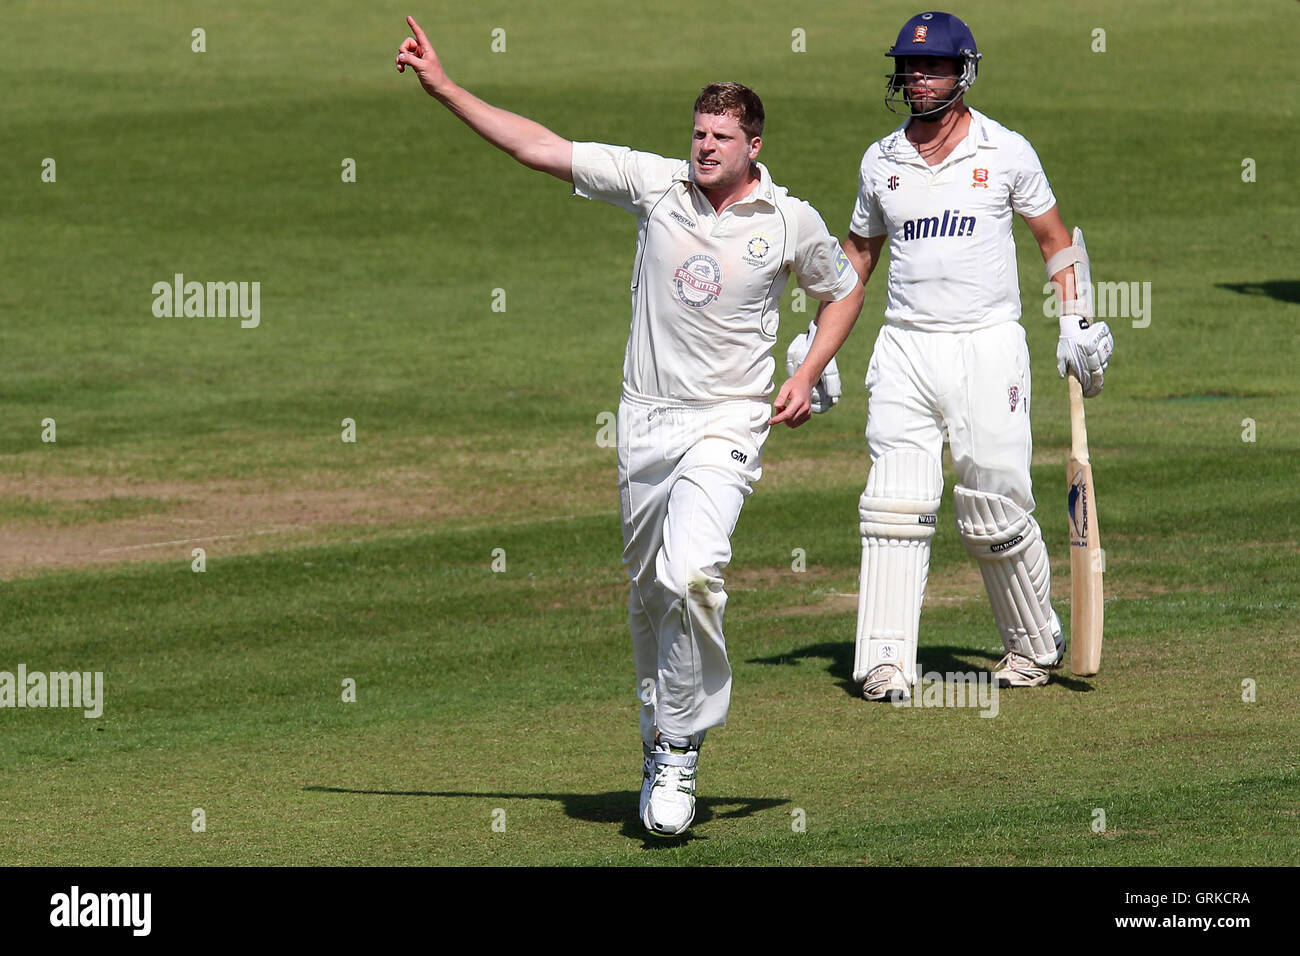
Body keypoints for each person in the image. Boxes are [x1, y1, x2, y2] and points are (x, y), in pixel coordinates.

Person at [395, 17, 864, 834]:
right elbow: (537, 146)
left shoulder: (788, 219)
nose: (704, 147)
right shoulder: (656, 184)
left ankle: (682, 751)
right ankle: (659, 740)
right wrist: (444, 88)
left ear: (754, 144)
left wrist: (807, 372)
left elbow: (844, 288)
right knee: (652, 595)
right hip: (645, 423)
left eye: (720, 136)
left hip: (730, 421)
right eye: (697, 132)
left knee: (691, 573)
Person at [828, 11, 1114, 701]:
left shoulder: (1005, 151)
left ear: (963, 72)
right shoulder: (880, 160)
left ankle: (1031, 642)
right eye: (910, 67)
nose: (918, 79)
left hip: (987, 344)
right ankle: (887, 659)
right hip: (904, 346)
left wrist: (1075, 322)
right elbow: (856, 259)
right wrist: (818, 346)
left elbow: (1053, 239)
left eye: (933, 68)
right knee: (894, 500)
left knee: (993, 502)